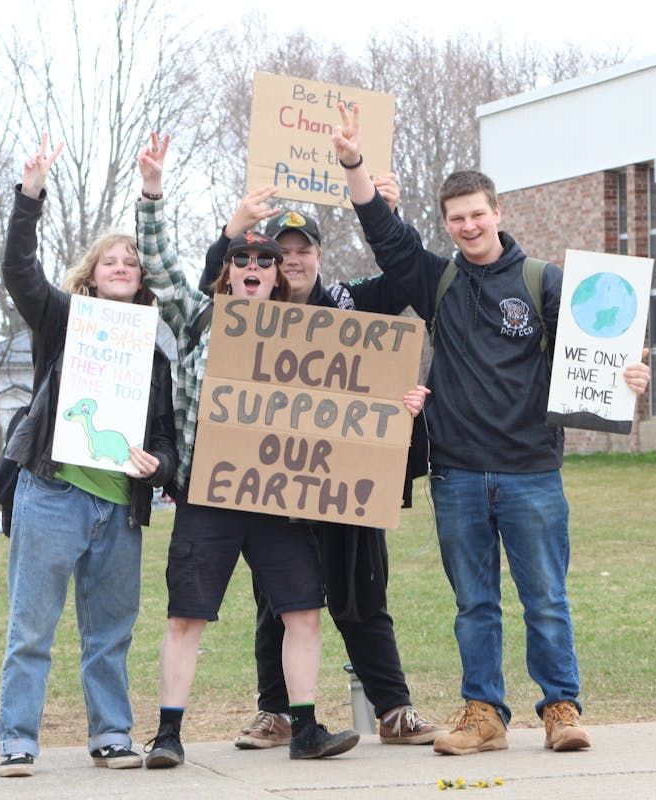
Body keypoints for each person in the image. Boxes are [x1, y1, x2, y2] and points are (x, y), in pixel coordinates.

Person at [329, 105, 652, 755]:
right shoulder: (437, 281)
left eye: (477, 213)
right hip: (456, 473)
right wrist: (354, 164)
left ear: (497, 212)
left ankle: (561, 709)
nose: (469, 226)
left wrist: (629, 377)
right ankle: (484, 715)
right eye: (457, 218)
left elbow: (594, 350)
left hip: (532, 471)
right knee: (474, 604)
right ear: (447, 224)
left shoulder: (544, 282)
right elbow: (385, 235)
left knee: (546, 599)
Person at [132, 133, 429, 764]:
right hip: (211, 495)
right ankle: (169, 735)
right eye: (244, 258)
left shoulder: (313, 325)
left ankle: (307, 729)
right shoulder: (202, 317)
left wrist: (396, 405)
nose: (256, 267)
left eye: (267, 261)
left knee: (303, 611)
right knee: (188, 616)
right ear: (228, 268)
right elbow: (158, 265)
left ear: (280, 275)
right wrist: (153, 189)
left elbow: (359, 389)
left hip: (280, 501)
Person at [199, 184, 440, 749]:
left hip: (346, 485)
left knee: (363, 597)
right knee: (275, 603)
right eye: (280, 252)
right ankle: (275, 712)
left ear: (319, 254)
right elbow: (207, 287)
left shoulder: (353, 303)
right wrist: (231, 231)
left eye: (302, 250)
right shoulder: (252, 312)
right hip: (275, 484)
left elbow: (406, 276)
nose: (293, 260)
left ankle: (393, 709)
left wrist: (389, 215)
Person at [0, 135, 178, 778]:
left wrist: (160, 466)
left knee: (110, 633)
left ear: (143, 278)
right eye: (110, 260)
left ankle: (112, 735)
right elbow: (19, 270)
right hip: (52, 495)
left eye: (132, 260)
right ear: (92, 274)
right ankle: (17, 740)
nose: (122, 265)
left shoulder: (154, 353)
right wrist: (30, 193)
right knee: (32, 628)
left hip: (119, 509)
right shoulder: (61, 319)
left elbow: (166, 439)